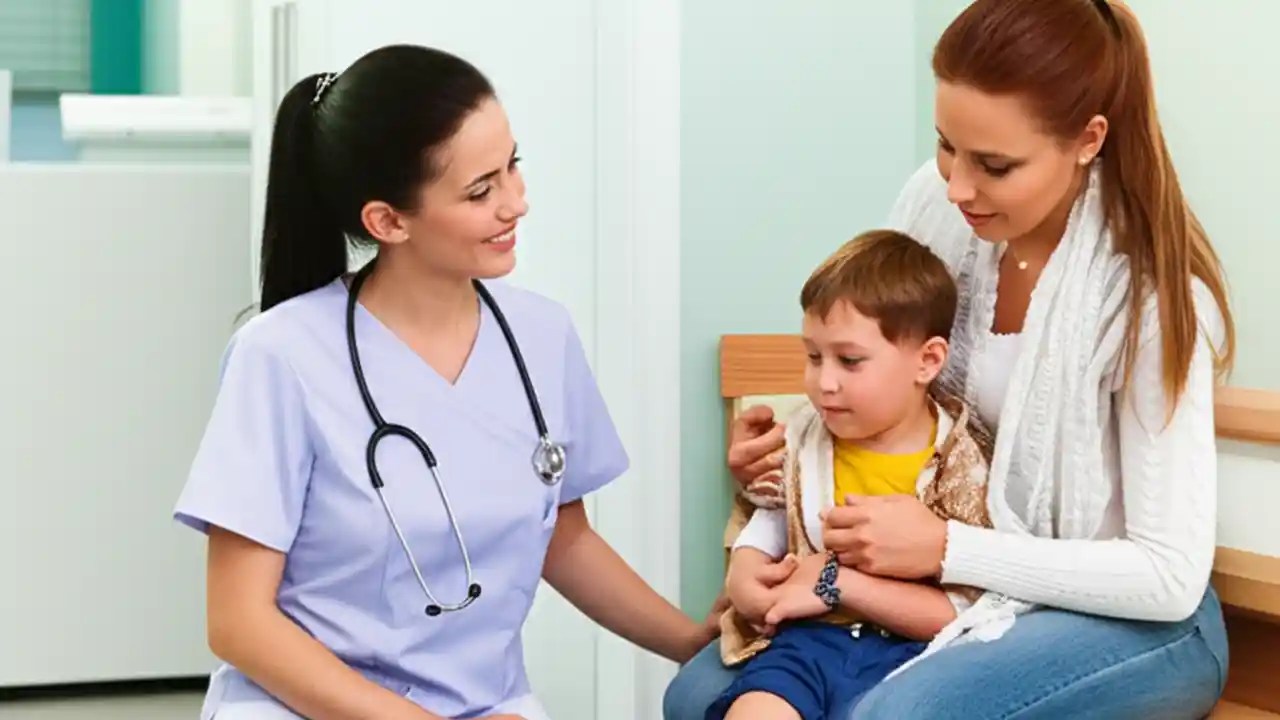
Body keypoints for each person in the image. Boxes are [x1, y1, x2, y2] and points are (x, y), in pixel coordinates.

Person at [665, 1, 1234, 717]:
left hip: (1143, 626)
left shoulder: (1148, 299)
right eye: (945, 146)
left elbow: (1168, 576)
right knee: (696, 697)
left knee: (895, 715)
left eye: (994, 165)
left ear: (1089, 139)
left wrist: (944, 549)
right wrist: (793, 459)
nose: (958, 185)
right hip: (936, 591)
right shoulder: (935, 209)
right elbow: (886, 373)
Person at [173, 44, 715, 720]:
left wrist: (694, 642)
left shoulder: (541, 337)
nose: (517, 202)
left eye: (513, 165)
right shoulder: (279, 357)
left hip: (486, 705)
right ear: (388, 221)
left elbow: (561, 536)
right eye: (481, 189)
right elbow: (238, 624)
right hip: (298, 707)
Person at [707, 230, 998, 720]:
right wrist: (744, 572)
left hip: (918, 654)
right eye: (813, 356)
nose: (824, 382)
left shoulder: (959, 462)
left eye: (849, 361)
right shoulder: (806, 436)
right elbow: (773, 513)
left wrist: (837, 583)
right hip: (808, 644)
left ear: (927, 361)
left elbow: (961, 612)